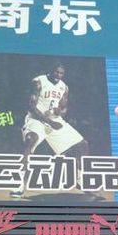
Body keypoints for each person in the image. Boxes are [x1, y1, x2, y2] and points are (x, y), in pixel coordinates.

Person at [10, 63, 90, 198]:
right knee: (31, 141)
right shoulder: (38, 81)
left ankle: (80, 180)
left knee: (83, 145)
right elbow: (31, 107)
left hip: (54, 120)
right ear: (51, 71)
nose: (58, 75)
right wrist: (50, 122)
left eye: (61, 73)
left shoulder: (64, 87)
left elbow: (63, 108)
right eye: (56, 72)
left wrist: (59, 111)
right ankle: (19, 185)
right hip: (36, 120)